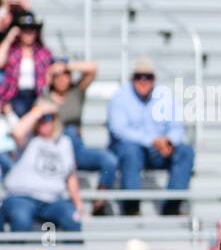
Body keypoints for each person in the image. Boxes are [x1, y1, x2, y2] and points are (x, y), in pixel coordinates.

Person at [107, 58, 194, 215]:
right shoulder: (120, 96)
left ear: (154, 80)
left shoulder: (165, 95)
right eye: (138, 77)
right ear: (132, 78)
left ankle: (171, 207)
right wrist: (152, 141)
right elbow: (119, 129)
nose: (143, 81)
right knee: (131, 151)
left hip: (158, 150)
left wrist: (168, 141)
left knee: (185, 151)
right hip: (131, 150)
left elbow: (177, 127)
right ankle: (131, 207)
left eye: (148, 77)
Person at [1, 98, 83, 234]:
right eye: (41, 118)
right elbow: (17, 132)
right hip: (22, 197)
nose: (44, 121)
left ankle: (58, 248)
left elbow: (70, 176)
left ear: (55, 120)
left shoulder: (64, 142)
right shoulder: (28, 138)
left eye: (49, 117)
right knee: (21, 218)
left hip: (52, 201)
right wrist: (38, 110)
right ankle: (17, 249)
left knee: (71, 218)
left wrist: (78, 203)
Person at [42, 58, 116, 208]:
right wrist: (48, 73)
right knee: (68, 133)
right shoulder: (44, 97)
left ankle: (99, 202)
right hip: (54, 150)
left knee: (109, 160)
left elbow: (93, 68)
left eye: (65, 75)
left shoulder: (75, 93)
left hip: (77, 150)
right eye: (58, 76)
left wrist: (66, 66)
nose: (62, 79)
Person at [0, 11, 54, 117]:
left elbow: (49, 76)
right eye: (25, 30)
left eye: (32, 30)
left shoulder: (43, 53)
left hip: (37, 95)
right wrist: (9, 37)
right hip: (15, 95)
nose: (29, 34)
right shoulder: (12, 51)